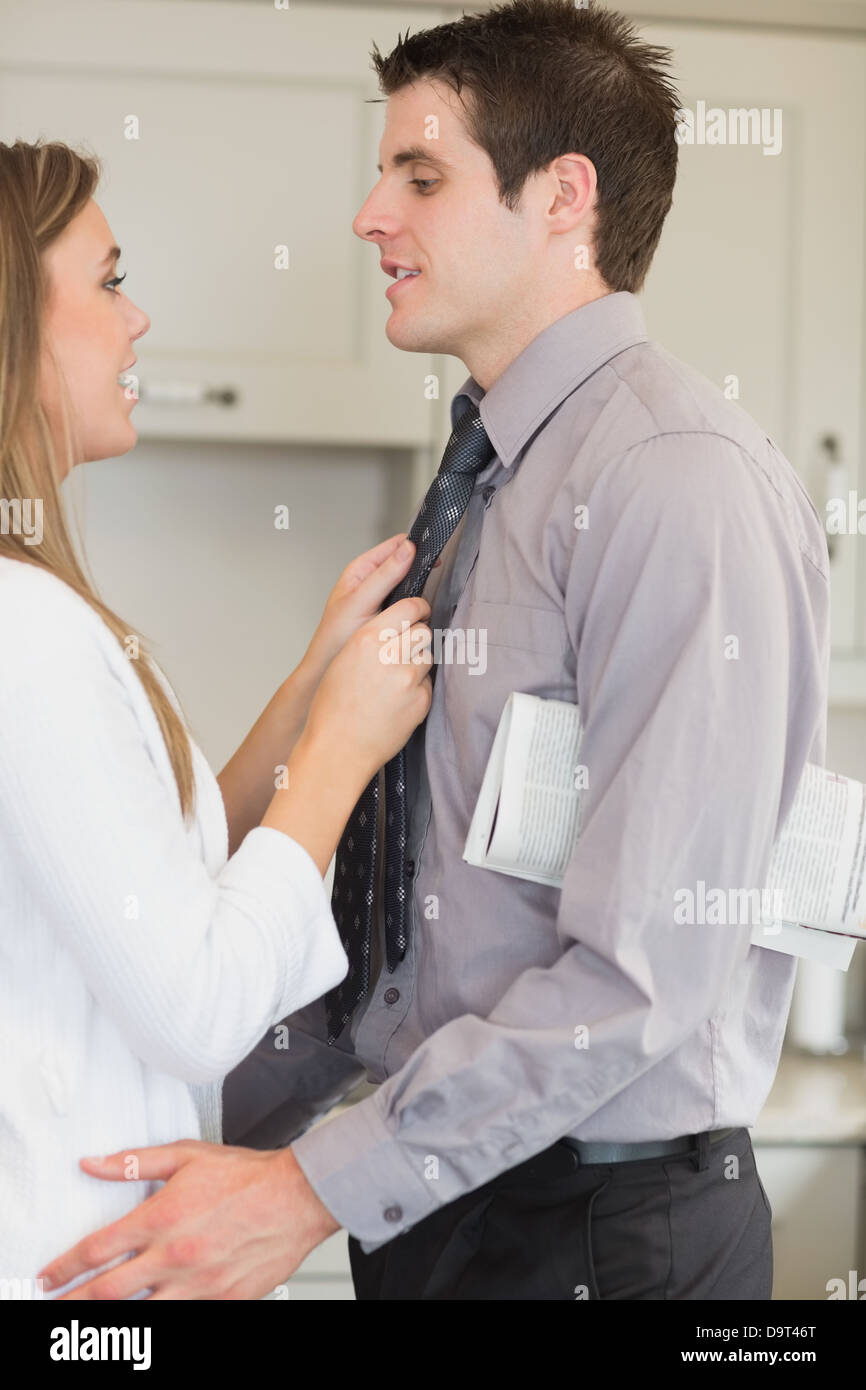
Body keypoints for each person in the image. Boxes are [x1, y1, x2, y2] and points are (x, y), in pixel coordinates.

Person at [40, 0, 830, 1302]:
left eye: (419, 175)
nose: (367, 215)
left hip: (597, 1227)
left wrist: (306, 1184)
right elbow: (395, 927)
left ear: (562, 197)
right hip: (440, 1199)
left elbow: (641, 974)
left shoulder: (676, 482)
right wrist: (193, 1126)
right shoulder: (482, 479)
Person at [0, 137, 433, 1294]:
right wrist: (340, 750)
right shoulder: (21, 628)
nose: (136, 320)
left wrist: (308, 689)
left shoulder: (38, 607)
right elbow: (197, 1011)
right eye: (106, 282)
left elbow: (163, 866)